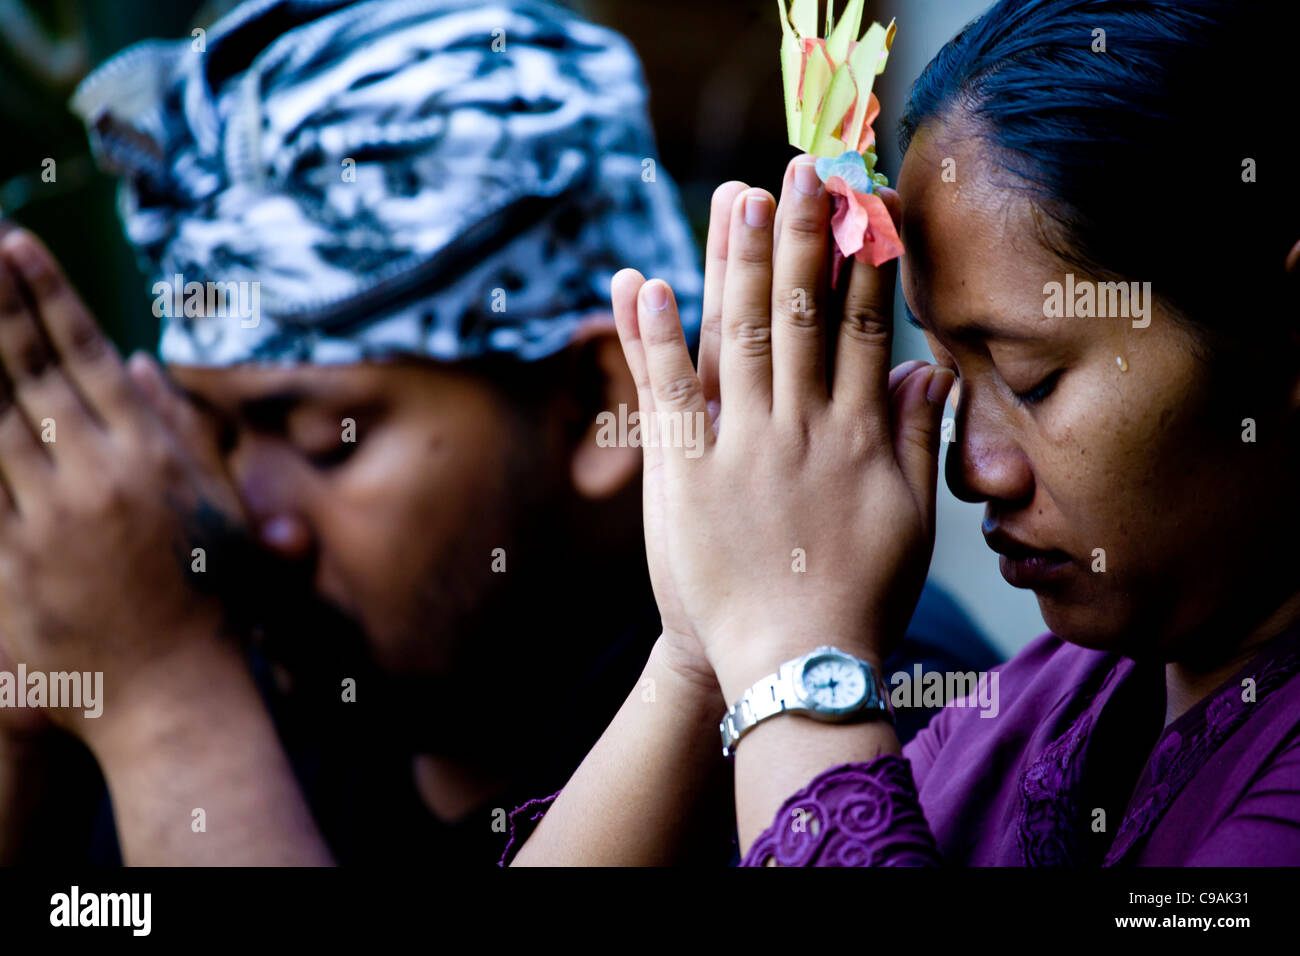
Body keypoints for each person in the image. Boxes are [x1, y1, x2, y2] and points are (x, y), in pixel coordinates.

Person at [0, 0, 994, 866]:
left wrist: (168, 714)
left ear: (596, 400)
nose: (259, 520)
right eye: (207, 430)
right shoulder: (289, 670)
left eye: (320, 439)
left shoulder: (851, 704)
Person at [506, 0, 1300, 866]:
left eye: (1033, 382)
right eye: (949, 373)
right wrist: (704, 647)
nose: (973, 471)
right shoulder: (1028, 712)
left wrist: (798, 661)